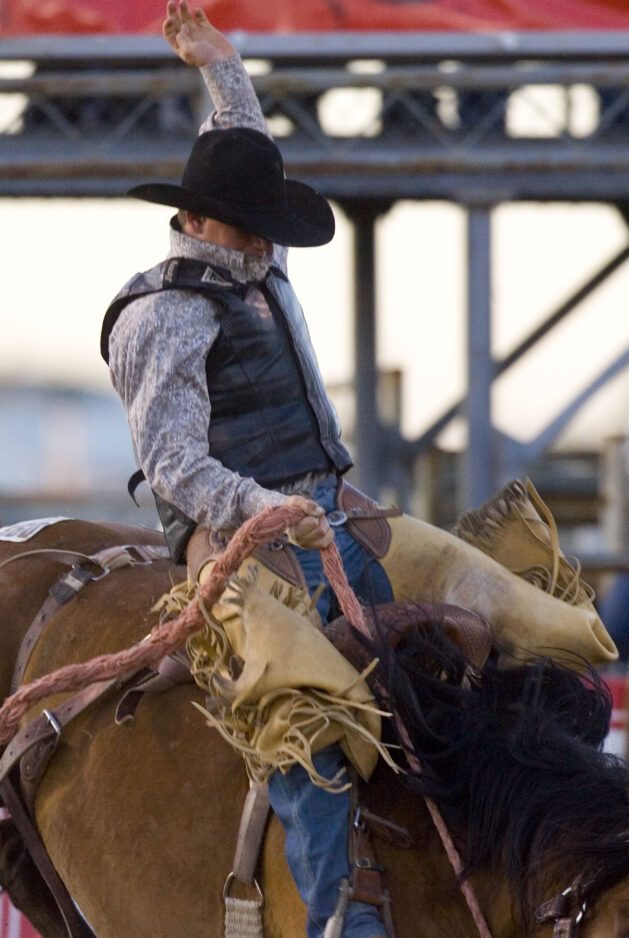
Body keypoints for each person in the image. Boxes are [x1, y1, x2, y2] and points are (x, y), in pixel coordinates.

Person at [101, 4, 618, 936]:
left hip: (337, 509)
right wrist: (270, 509)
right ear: (201, 220)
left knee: (509, 614)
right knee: (306, 709)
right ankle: (340, 914)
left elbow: (242, 141)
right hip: (236, 544)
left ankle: (547, 835)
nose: (267, 243)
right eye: (251, 229)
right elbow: (174, 467)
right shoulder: (161, 317)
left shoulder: (247, 263)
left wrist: (220, 63)